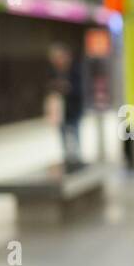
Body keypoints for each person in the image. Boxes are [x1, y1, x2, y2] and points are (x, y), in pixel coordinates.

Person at [46, 43, 84, 171]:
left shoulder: (75, 70)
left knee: (74, 131)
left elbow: (80, 89)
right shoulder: (54, 71)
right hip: (61, 110)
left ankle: (76, 157)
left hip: (73, 108)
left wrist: (68, 88)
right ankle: (67, 156)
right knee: (62, 132)